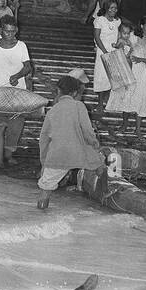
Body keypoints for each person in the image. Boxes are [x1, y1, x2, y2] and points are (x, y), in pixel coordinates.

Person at [37, 77, 107, 211]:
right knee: (100, 167)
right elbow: (87, 131)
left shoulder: (52, 111)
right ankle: (105, 197)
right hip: (80, 152)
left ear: (58, 91)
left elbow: (44, 139)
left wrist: (44, 162)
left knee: (45, 189)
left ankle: (40, 216)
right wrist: (94, 142)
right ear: (75, 93)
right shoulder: (79, 106)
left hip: (57, 155)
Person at [0, 14, 34, 170]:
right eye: (7, 31)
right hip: (0, 93)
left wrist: (18, 76)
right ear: (1, 30)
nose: (10, 35)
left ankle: (8, 155)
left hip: (18, 93)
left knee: (15, 128)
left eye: (13, 31)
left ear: (16, 30)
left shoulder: (21, 46)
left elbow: (28, 67)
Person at [105, 17, 146, 140]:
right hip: (129, 70)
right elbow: (121, 41)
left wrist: (140, 59)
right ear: (142, 26)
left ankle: (138, 129)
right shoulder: (133, 37)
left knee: (140, 98)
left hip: (141, 71)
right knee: (127, 96)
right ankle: (124, 125)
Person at [91, 0, 121, 122]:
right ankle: (99, 104)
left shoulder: (117, 21)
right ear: (106, 8)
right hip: (102, 51)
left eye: (115, 8)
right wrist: (104, 51)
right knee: (101, 77)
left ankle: (109, 103)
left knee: (112, 78)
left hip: (113, 50)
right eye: (111, 8)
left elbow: (117, 36)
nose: (114, 10)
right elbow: (97, 37)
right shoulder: (100, 20)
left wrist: (118, 45)